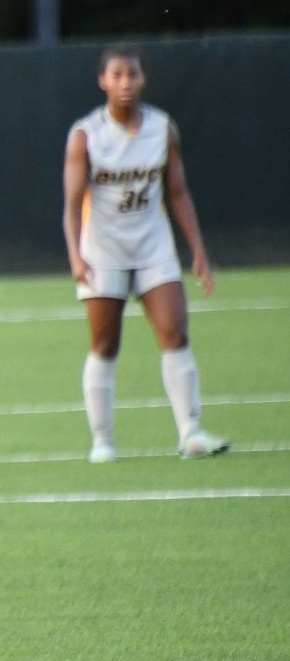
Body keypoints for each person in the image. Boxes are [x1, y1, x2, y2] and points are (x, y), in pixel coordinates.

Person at [63, 43, 229, 463]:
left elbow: (177, 191)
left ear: (144, 79)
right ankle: (102, 440)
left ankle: (190, 432)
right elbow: (70, 204)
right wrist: (76, 256)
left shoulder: (162, 128)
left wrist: (198, 251)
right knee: (104, 343)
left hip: (152, 244)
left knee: (174, 332)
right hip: (103, 250)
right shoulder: (86, 135)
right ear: (102, 80)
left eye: (132, 74)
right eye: (116, 74)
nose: (125, 83)